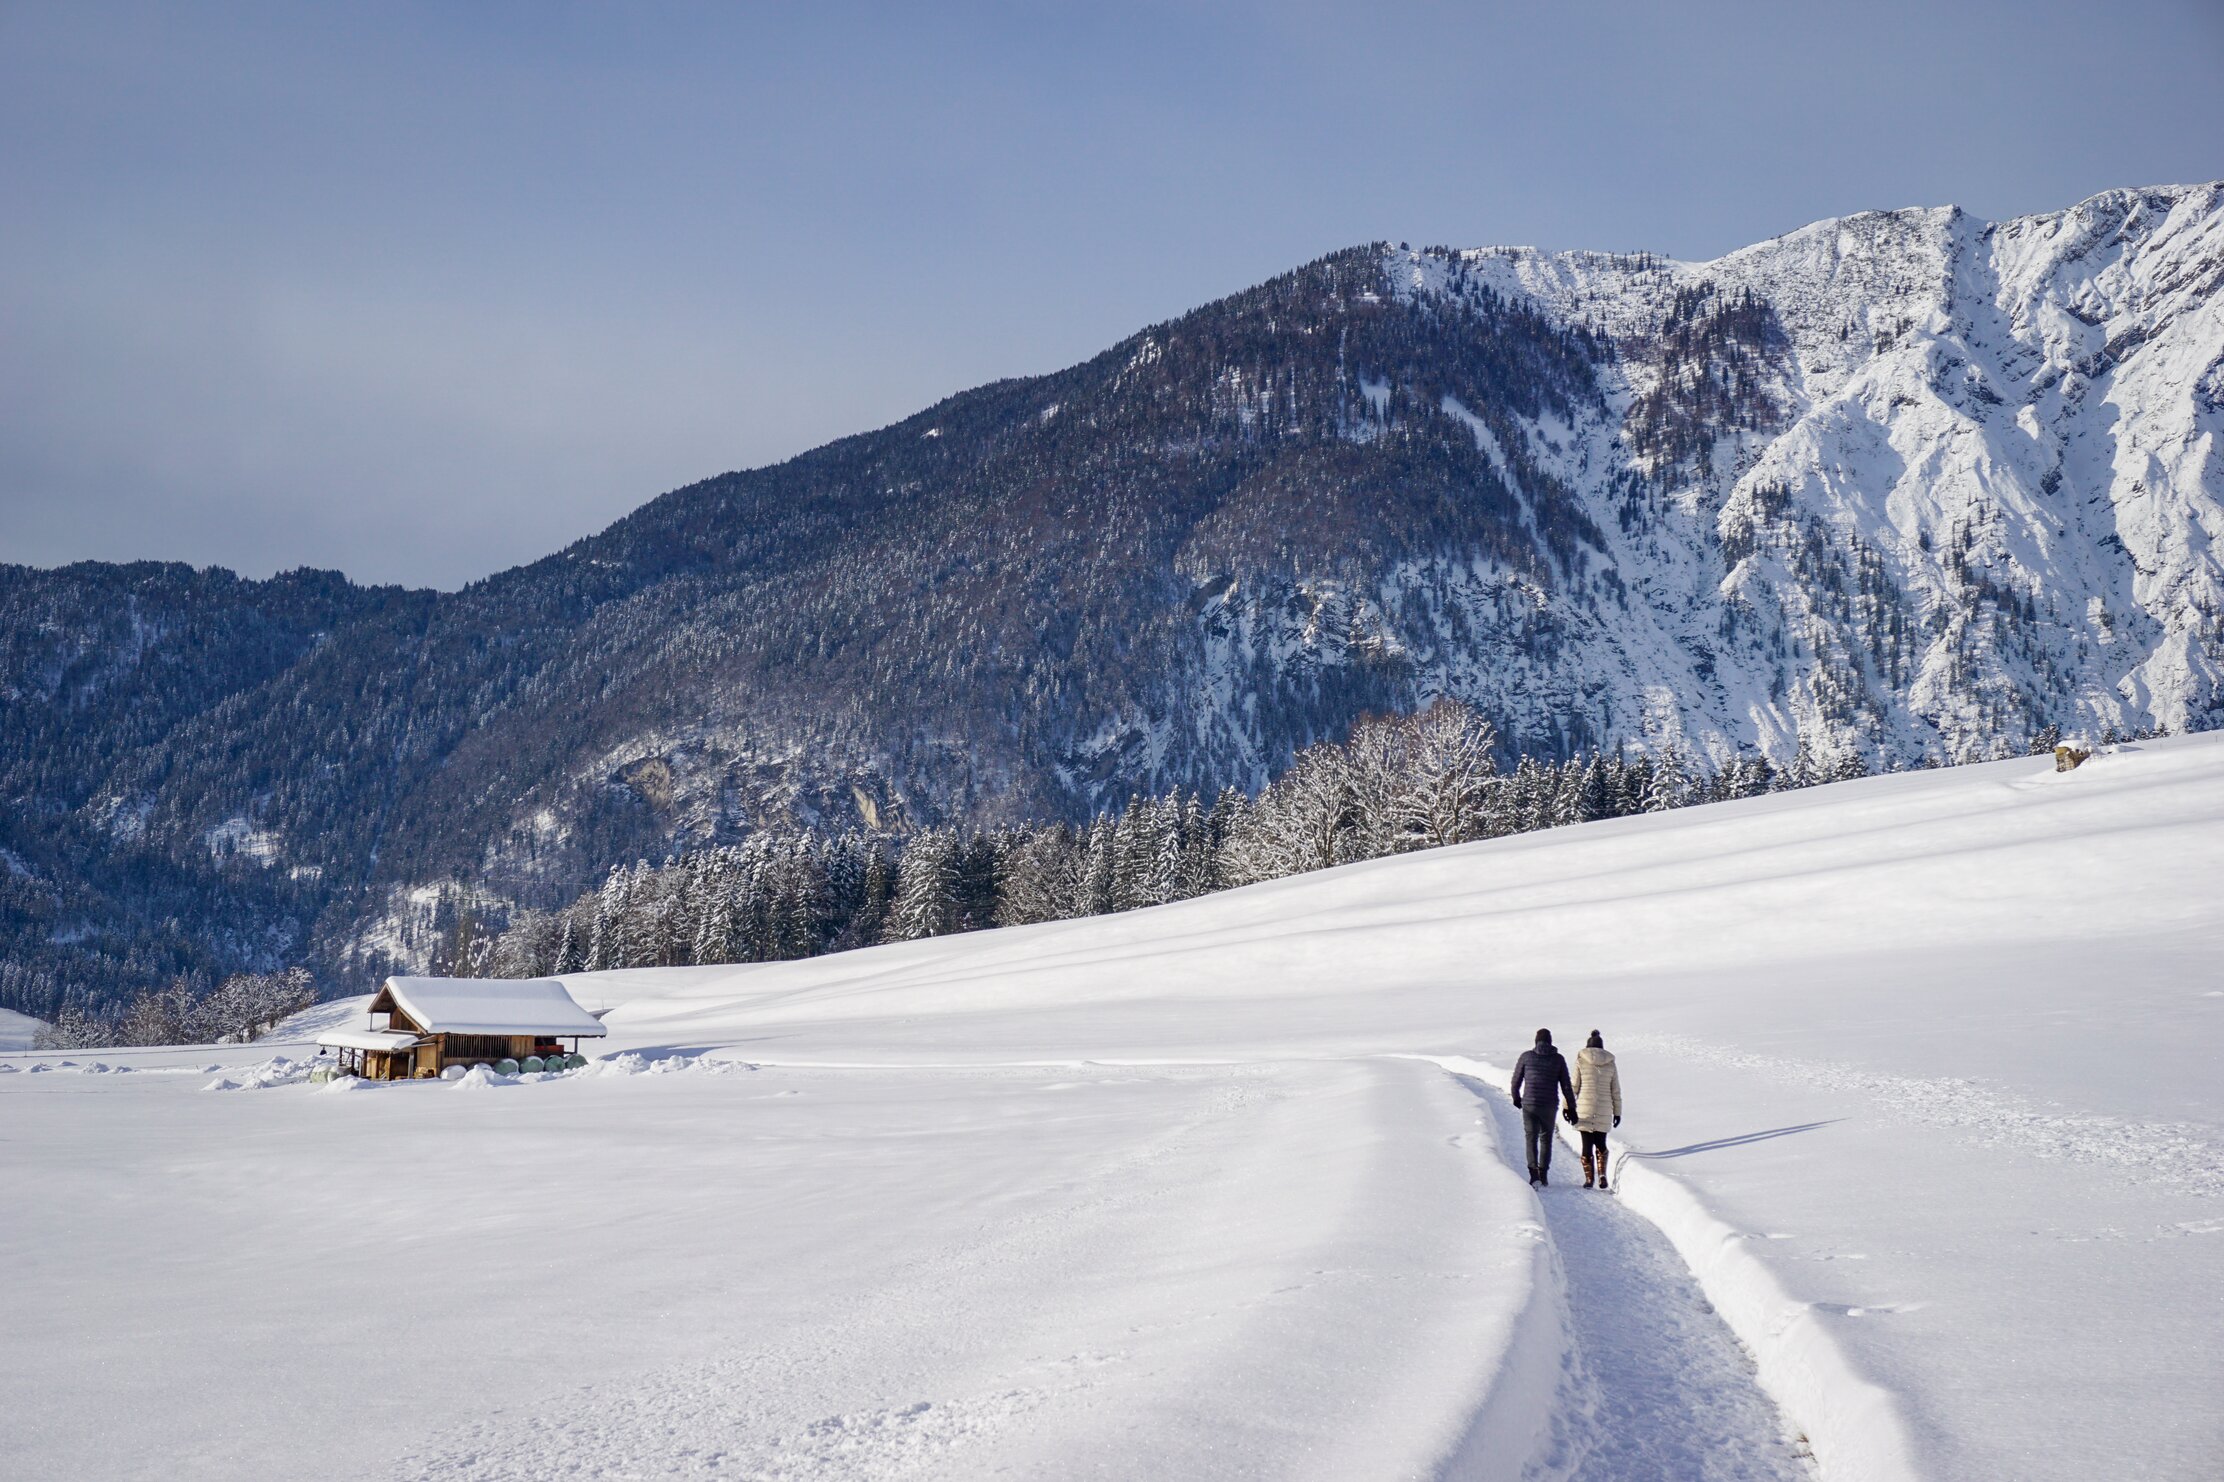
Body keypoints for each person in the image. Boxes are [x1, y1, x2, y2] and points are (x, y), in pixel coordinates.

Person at [1509, 1028, 1576, 1186]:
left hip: (1530, 1104)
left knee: (1531, 1137)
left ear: (1536, 1041)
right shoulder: (1558, 1059)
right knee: (1546, 1139)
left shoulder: (1526, 1057)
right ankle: (1543, 1173)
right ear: (1550, 1042)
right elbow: (1566, 1086)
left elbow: (1515, 1081)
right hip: (1549, 1105)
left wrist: (1516, 1098)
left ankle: (1533, 1174)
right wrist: (1571, 1108)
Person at [1571, 1029, 1622, 1190]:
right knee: (1601, 1143)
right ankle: (1602, 1174)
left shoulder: (1581, 1061)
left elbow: (1574, 1087)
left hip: (1584, 1108)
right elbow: (1615, 1091)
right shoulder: (1611, 1064)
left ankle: (1588, 1179)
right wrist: (1617, 1112)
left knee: (1586, 1145)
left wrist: (1568, 1107)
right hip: (1605, 1108)